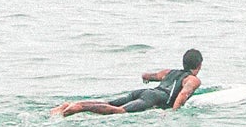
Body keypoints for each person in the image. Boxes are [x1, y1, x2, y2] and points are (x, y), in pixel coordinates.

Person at [54, 49, 203, 118]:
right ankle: (79, 108)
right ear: (199, 65)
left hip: (144, 92)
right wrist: (173, 114)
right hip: (155, 98)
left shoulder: (169, 72)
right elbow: (182, 95)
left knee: (109, 103)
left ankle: (69, 105)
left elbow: (148, 76)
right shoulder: (193, 80)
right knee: (119, 111)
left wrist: (147, 78)